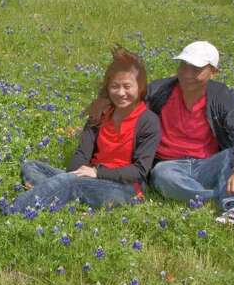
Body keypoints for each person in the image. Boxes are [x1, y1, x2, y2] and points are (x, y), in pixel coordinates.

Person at [9, 47, 160, 216]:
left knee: (72, 183)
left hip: (125, 188)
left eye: (127, 86)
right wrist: (75, 174)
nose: (121, 93)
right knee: (32, 166)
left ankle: (14, 210)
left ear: (140, 87)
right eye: (115, 87)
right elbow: (82, 154)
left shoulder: (148, 121)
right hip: (89, 177)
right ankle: (63, 195)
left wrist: (96, 173)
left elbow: (139, 171)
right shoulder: (100, 113)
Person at [146, 40, 234, 231]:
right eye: (184, 65)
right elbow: (126, 109)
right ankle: (215, 198)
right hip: (171, 164)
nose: (187, 74)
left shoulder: (220, 94)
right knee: (161, 174)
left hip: (209, 164)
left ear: (213, 71)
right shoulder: (159, 90)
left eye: (196, 68)